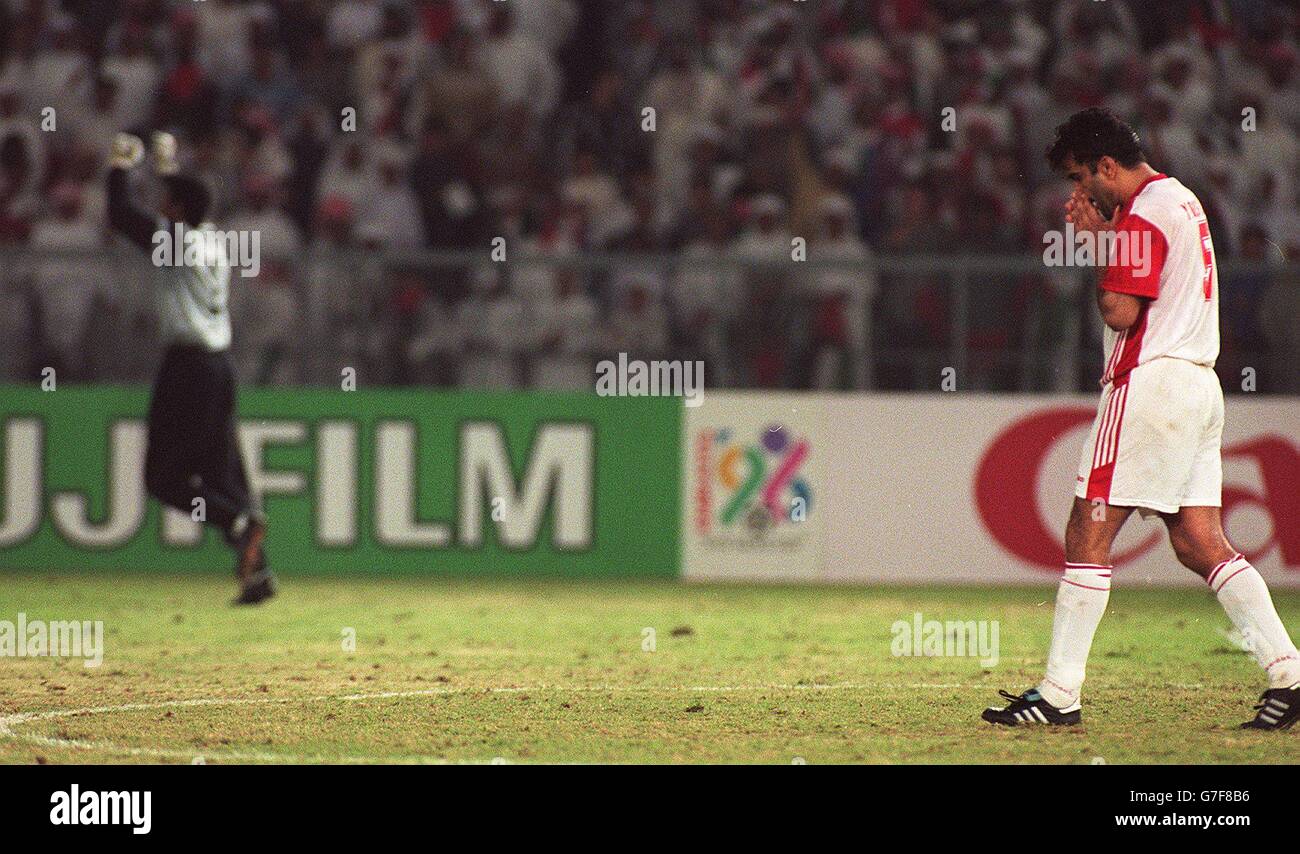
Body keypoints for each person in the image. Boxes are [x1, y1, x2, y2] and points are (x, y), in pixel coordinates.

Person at [982, 108, 1298, 729]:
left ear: (1107, 165)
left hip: (1150, 384)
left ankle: (1058, 693)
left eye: (1081, 178)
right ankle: (1291, 674)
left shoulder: (1144, 212)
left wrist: (1099, 243)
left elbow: (1122, 311)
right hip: (1198, 388)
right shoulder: (1183, 200)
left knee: (1087, 528)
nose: (1080, 194)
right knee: (1199, 542)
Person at [106, 131, 275, 605]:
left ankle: (237, 523)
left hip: (187, 369)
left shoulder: (176, 242)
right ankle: (256, 574)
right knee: (222, 476)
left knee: (162, 478)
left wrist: (121, 166)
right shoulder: (213, 239)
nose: (162, 209)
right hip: (219, 366)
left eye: (167, 202)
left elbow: (121, 216)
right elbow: (193, 200)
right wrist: (166, 168)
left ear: (178, 211)